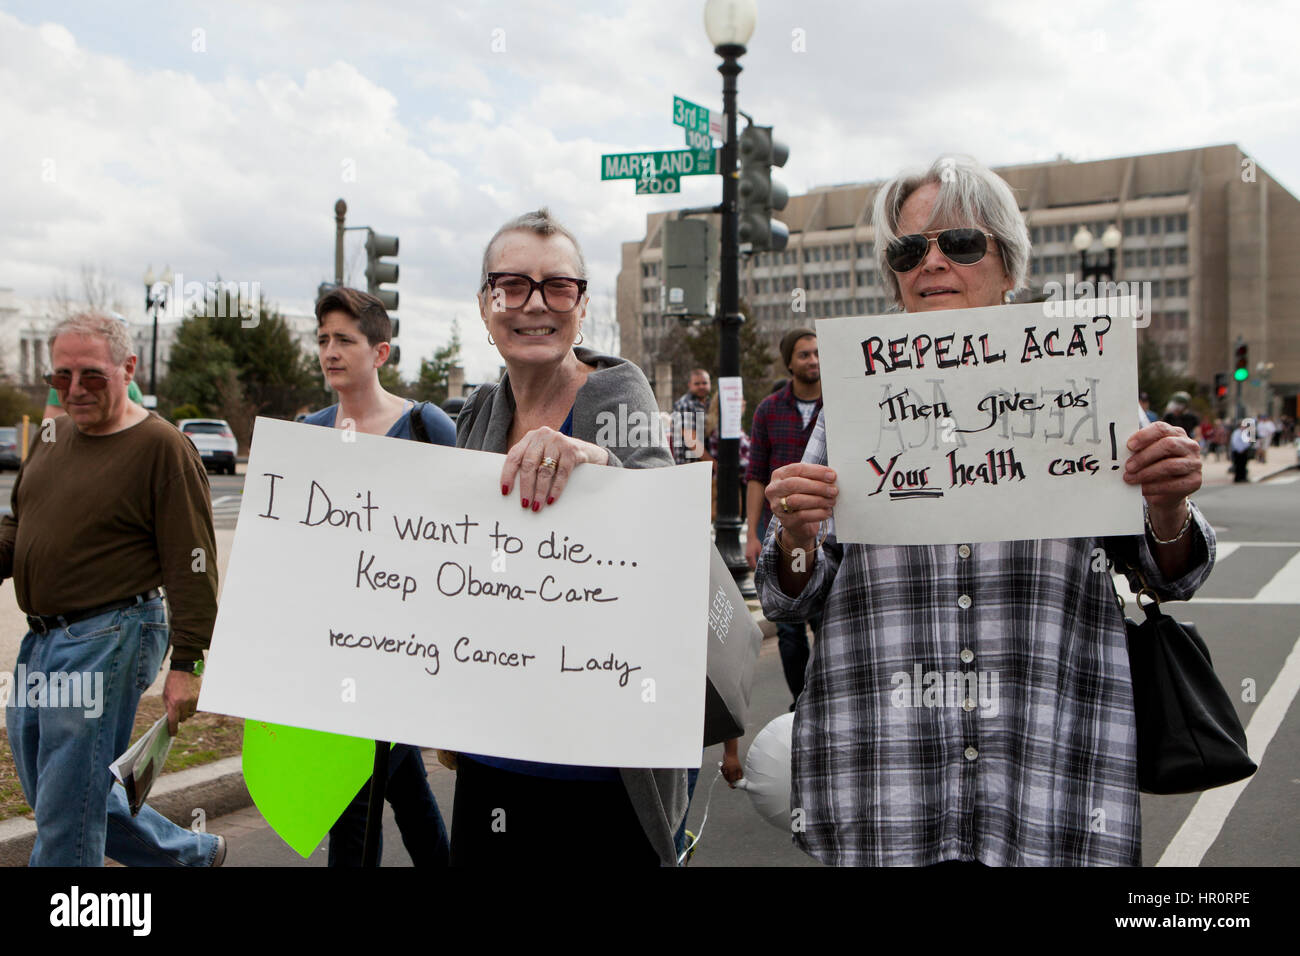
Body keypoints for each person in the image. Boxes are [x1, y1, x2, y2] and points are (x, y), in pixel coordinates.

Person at [756, 156, 1214, 866]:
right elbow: (788, 594)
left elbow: (1171, 575)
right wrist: (796, 533)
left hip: (1046, 779)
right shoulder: (850, 402)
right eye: (910, 250)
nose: (932, 262)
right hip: (891, 781)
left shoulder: (1081, 377)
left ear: (1008, 265)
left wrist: (1168, 504)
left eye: (960, 243)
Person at [447, 208, 686, 867]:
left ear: (581, 306)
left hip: (601, 768)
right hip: (493, 759)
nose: (534, 304)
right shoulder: (480, 410)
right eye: (512, 284)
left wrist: (599, 462)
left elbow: (667, 527)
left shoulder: (618, 391)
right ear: (485, 302)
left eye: (558, 286)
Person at [1, 312, 225, 866]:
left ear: (129, 368)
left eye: (92, 377)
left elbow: (193, 563)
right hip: (42, 638)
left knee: (62, 813)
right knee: (62, 795)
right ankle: (190, 858)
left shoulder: (161, 447)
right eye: (62, 378)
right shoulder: (53, 435)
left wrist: (189, 666)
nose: (74, 390)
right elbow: (20, 525)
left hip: (109, 634)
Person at [302, 286, 456, 867]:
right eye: (322, 340)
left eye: (345, 339)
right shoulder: (309, 432)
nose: (330, 351)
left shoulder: (425, 424)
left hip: (406, 645)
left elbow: (464, 533)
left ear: (381, 351)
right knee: (400, 788)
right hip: (336, 646)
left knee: (358, 799)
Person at [745, 327, 822, 709]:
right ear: (789, 361)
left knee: (824, 623)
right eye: (805, 354)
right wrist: (751, 534)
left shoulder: (839, 406)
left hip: (828, 531)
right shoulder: (769, 410)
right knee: (790, 631)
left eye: (817, 354)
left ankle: (821, 695)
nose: (813, 361)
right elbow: (756, 475)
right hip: (781, 531)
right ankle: (801, 701)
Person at [671, 369, 711, 464]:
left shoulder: (710, 404)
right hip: (689, 467)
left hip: (704, 466)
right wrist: (714, 464)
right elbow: (691, 441)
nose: (701, 386)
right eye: (697, 384)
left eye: (704, 383)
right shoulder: (684, 404)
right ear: (689, 385)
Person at [1230, 418, 1255, 483]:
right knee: (1238, 465)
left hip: (1244, 451)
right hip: (1238, 451)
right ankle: (1238, 478)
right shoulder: (1237, 433)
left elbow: (1247, 442)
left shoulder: (1245, 433)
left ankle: (1243, 477)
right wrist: (1240, 449)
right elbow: (1235, 442)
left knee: (1243, 465)